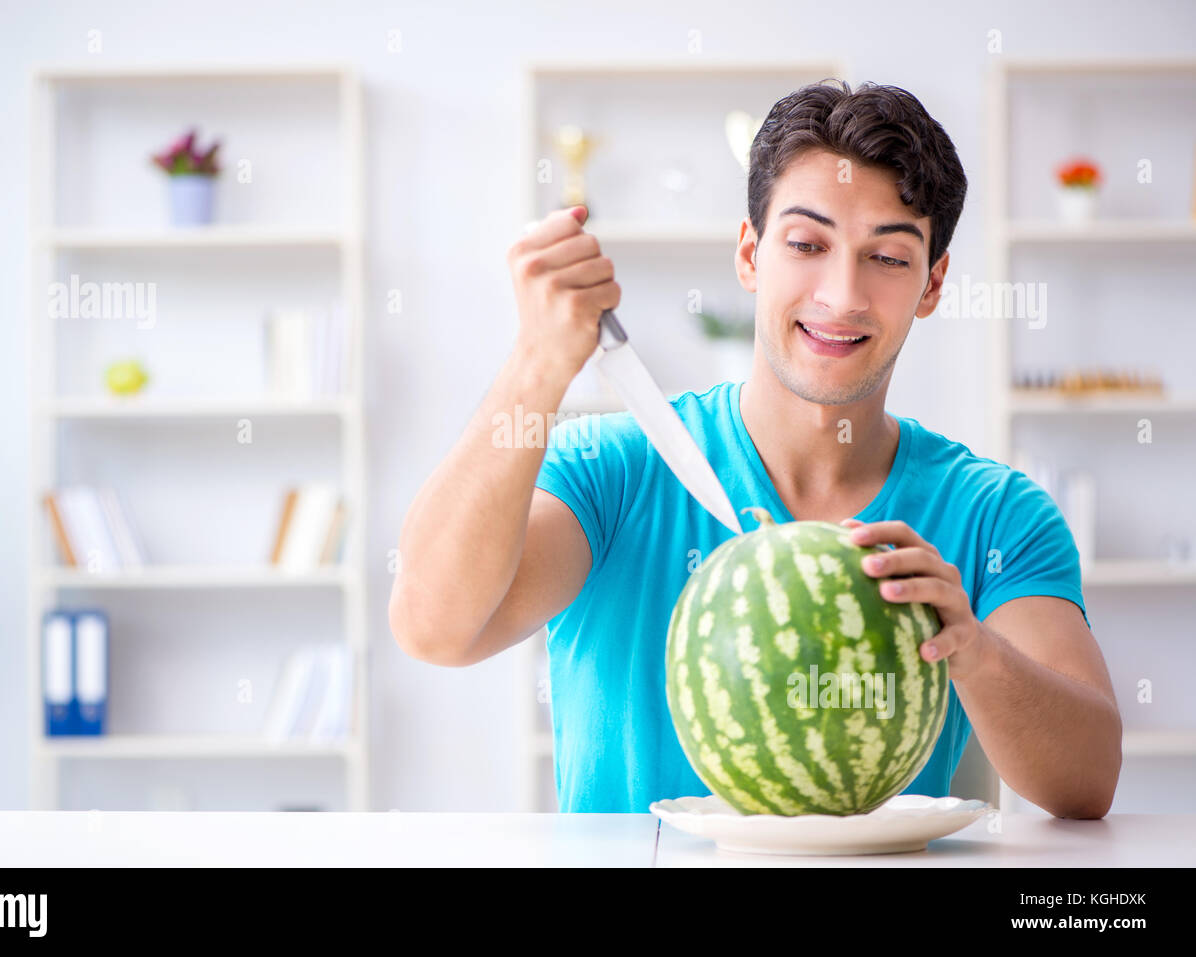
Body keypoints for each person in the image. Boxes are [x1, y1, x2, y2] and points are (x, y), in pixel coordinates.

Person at [389, 79, 1122, 818]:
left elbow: (1088, 783)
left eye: (889, 258)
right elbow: (432, 627)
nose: (842, 295)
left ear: (933, 284)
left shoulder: (994, 514)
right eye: (807, 244)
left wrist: (973, 648)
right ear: (750, 254)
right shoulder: (612, 471)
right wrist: (537, 361)